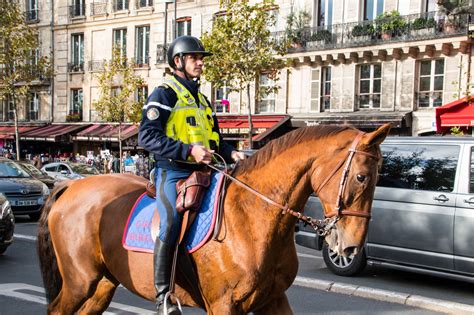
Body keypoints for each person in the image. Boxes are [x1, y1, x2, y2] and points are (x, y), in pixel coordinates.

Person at [138, 35, 245, 315]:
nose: (200, 63)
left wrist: (232, 152)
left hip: (206, 171)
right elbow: (146, 136)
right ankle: (163, 296)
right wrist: (188, 151)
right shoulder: (164, 93)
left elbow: (215, 140)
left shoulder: (202, 100)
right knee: (171, 223)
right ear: (178, 61)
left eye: (201, 58)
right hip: (171, 172)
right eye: (195, 58)